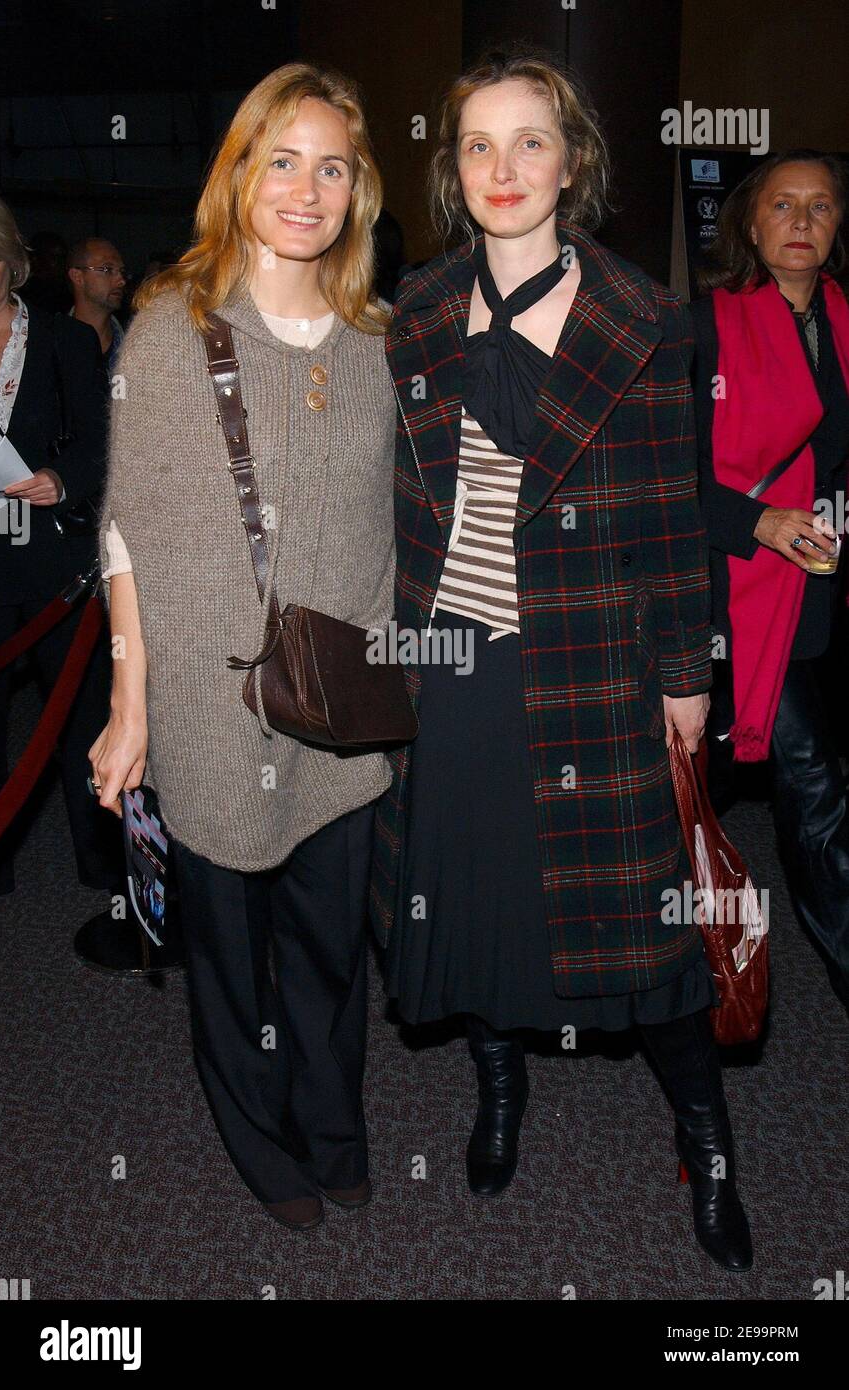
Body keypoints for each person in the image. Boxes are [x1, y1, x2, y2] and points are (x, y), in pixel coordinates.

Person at [370, 51, 753, 1272]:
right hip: (456, 674)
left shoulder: (642, 319)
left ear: (572, 163)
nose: (502, 168)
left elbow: (669, 516)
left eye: (529, 141)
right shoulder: (418, 311)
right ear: (452, 168)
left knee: (647, 941)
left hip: (591, 662)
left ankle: (709, 1138)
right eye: (477, 145)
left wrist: (686, 680)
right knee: (475, 911)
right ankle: (498, 1093)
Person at [89, 64, 398, 1233]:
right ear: (240, 171)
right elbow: (126, 522)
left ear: (357, 191)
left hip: (341, 702)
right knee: (228, 954)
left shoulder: (378, 337)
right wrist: (132, 705)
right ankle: (263, 1142)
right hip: (216, 698)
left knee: (329, 947)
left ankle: (335, 1125)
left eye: (332, 166)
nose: (306, 189)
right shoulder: (175, 326)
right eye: (283, 159)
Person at [691, 150, 849, 1015]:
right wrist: (757, 521)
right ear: (749, 224)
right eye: (781, 204)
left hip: (815, 587)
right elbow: (666, 468)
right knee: (813, 785)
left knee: (718, 780)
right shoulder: (707, 325)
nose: (800, 220)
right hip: (732, 590)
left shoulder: (843, 320)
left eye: (819, 206)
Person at [0, 191, 122, 901]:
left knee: (79, 716)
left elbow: (105, 444)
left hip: (53, 563)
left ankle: (101, 863)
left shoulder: (65, 340)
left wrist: (61, 479)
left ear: (9, 263)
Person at [67, 238, 127, 378]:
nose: (121, 280)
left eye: (122, 271)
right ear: (77, 276)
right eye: (107, 269)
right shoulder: (53, 347)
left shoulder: (134, 343)